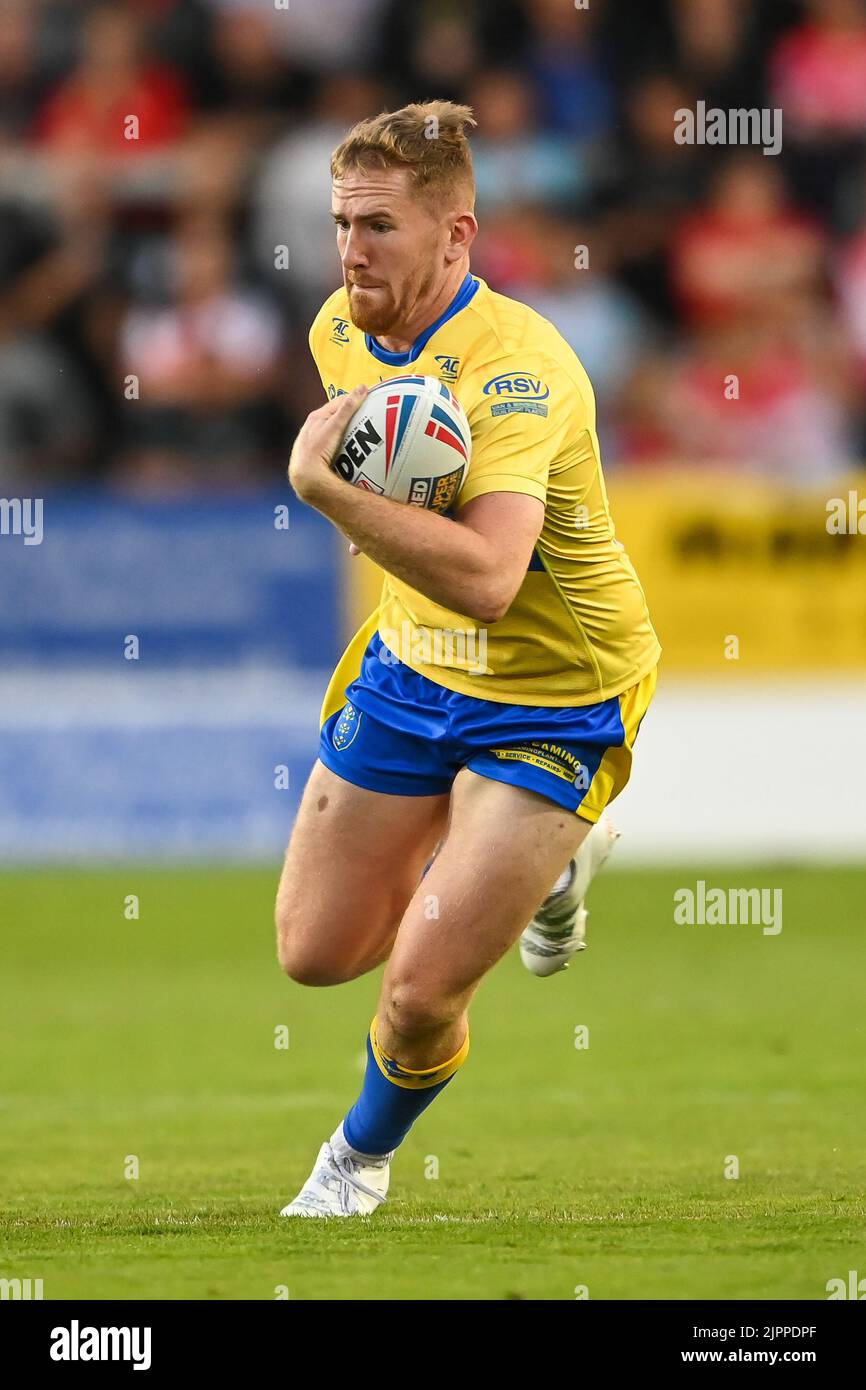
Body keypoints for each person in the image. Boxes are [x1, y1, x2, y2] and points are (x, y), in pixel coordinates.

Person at [276, 100, 660, 1217]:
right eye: (341, 220)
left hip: (553, 691)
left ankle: (353, 1163)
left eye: (380, 226)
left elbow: (492, 579)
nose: (351, 249)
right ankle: (525, 870)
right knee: (312, 952)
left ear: (456, 237)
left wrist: (323, 490)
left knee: (415, 993)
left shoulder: (519, 372)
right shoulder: (334, 332)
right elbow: (402, 506)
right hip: (412, 665)